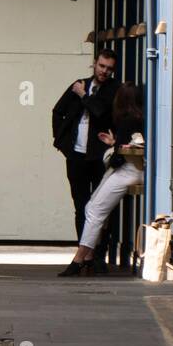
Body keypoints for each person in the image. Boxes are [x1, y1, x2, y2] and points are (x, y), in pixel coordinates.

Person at [58, 82, 145, 277]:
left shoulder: (125, 120)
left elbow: (119, 157)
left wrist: (111, 152)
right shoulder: (139, 119)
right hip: (135, 169)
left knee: (94, 209)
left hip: (127, 171)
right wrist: (114, 143)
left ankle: (79, 259)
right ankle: (87, 256)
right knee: (92, 209)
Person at [51, 49, 118, 272]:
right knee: (80, 205)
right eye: (101, 66)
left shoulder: (112, 90)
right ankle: (85, 253)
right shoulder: (79, 84)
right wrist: (62, 142)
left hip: (99, 158)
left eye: (109, 68)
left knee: (100, 207)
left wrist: (84, 96)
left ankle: (96, 255)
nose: (104, 71)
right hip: (77, 156)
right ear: (95, 64)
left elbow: (101, 113)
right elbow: (57, 111)